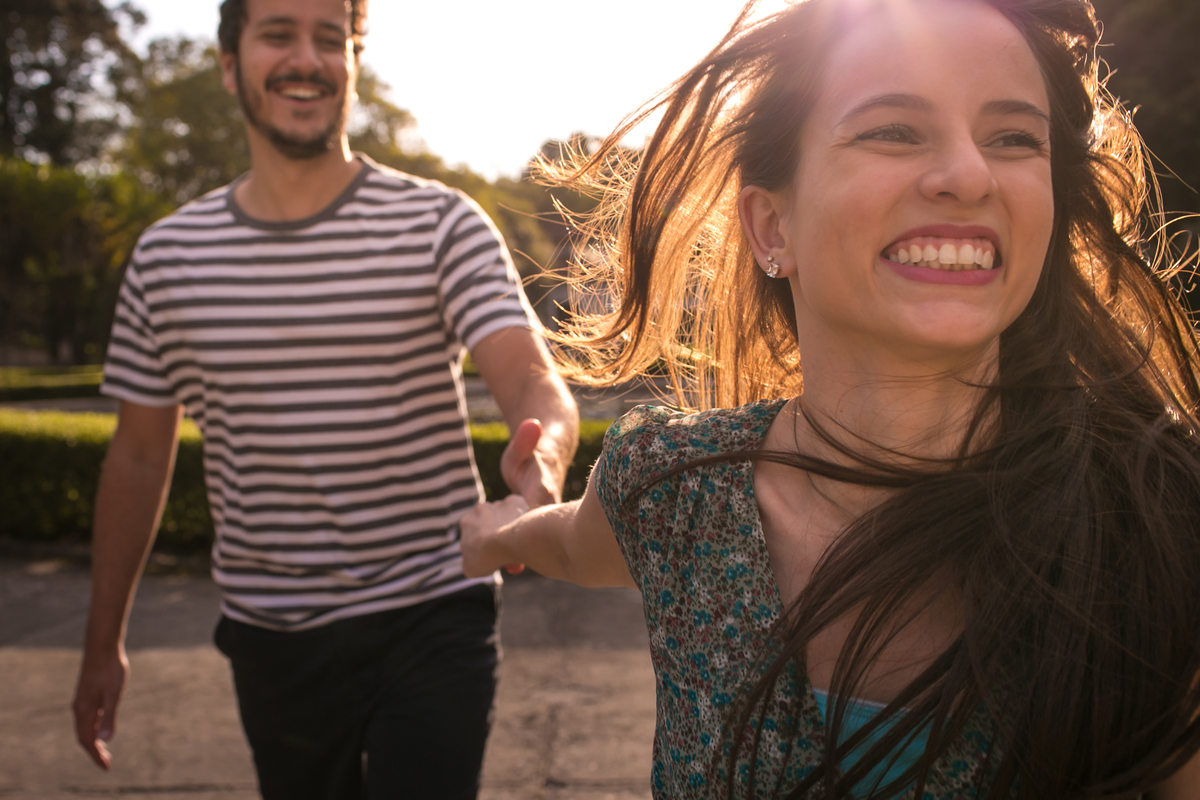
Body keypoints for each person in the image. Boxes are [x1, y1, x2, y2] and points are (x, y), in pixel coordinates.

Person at [460, 0, 1200, 797]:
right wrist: (498, 535)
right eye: (894, 129)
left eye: (1014, 138)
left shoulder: (1158, 524)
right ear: (771, 225)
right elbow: (570, 542)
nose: (969, 174)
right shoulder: (672, 487)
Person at [70, 0, 579, 797]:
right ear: (230, 62)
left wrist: (541, 456)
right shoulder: (168, 258)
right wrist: (103, 644)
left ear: (353, 57)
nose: (306, 58)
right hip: (273, 639)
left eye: (329, 37)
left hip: (432, 613)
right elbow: (137, 457)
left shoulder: (442, 223)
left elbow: (531, 378)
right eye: (277, 33)